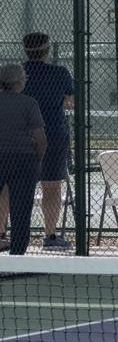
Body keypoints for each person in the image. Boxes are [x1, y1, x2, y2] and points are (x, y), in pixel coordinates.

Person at [17, 32, 74, 251]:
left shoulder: (16, 74)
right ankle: (50, 236)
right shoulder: (60, 73)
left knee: (9, 187)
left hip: (19, 137)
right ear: (47, 50)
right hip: (52, 135)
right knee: (51, 186)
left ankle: (3, 233)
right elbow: (72, 101)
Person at [0, 63, 48, 256]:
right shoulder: (29, 103)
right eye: (24, 77)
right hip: (23, 159)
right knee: (21, 209)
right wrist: (36, 159)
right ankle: (18, 255)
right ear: (19, 81)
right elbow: (41, 139)